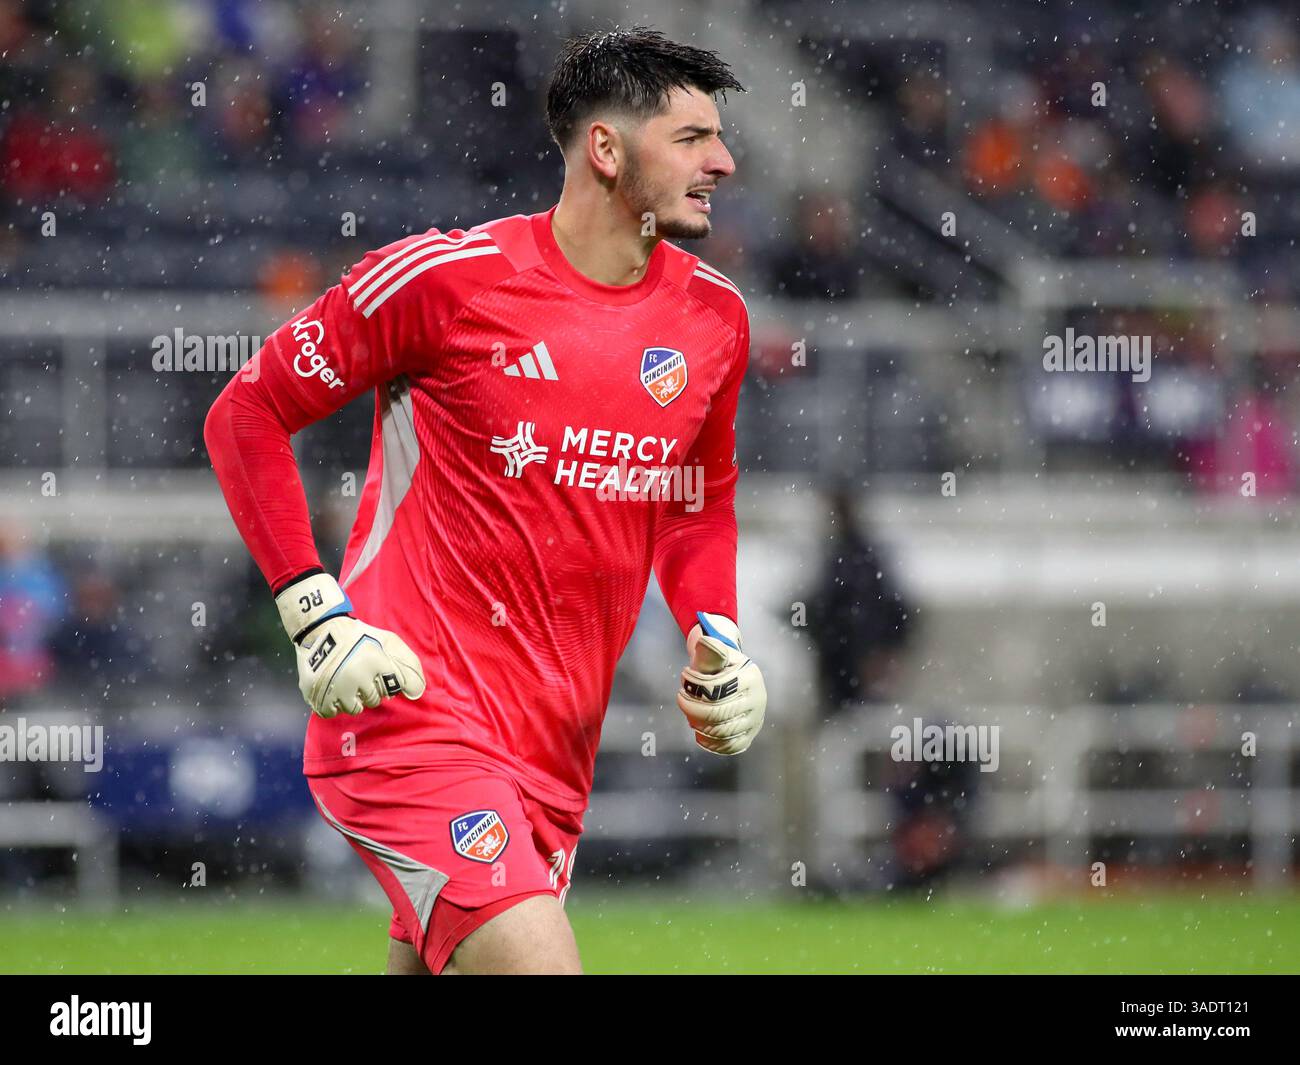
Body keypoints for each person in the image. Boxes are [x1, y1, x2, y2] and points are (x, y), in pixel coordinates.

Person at [203, 27, 767, 975]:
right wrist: (313, 611)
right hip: (407, 716)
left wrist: (719, 632)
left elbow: (695, 501)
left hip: (549, 758)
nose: (724, 160)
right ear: (606, 149)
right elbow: (246, 413)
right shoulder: (447, 282)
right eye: (691, 138)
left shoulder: (717, 319)